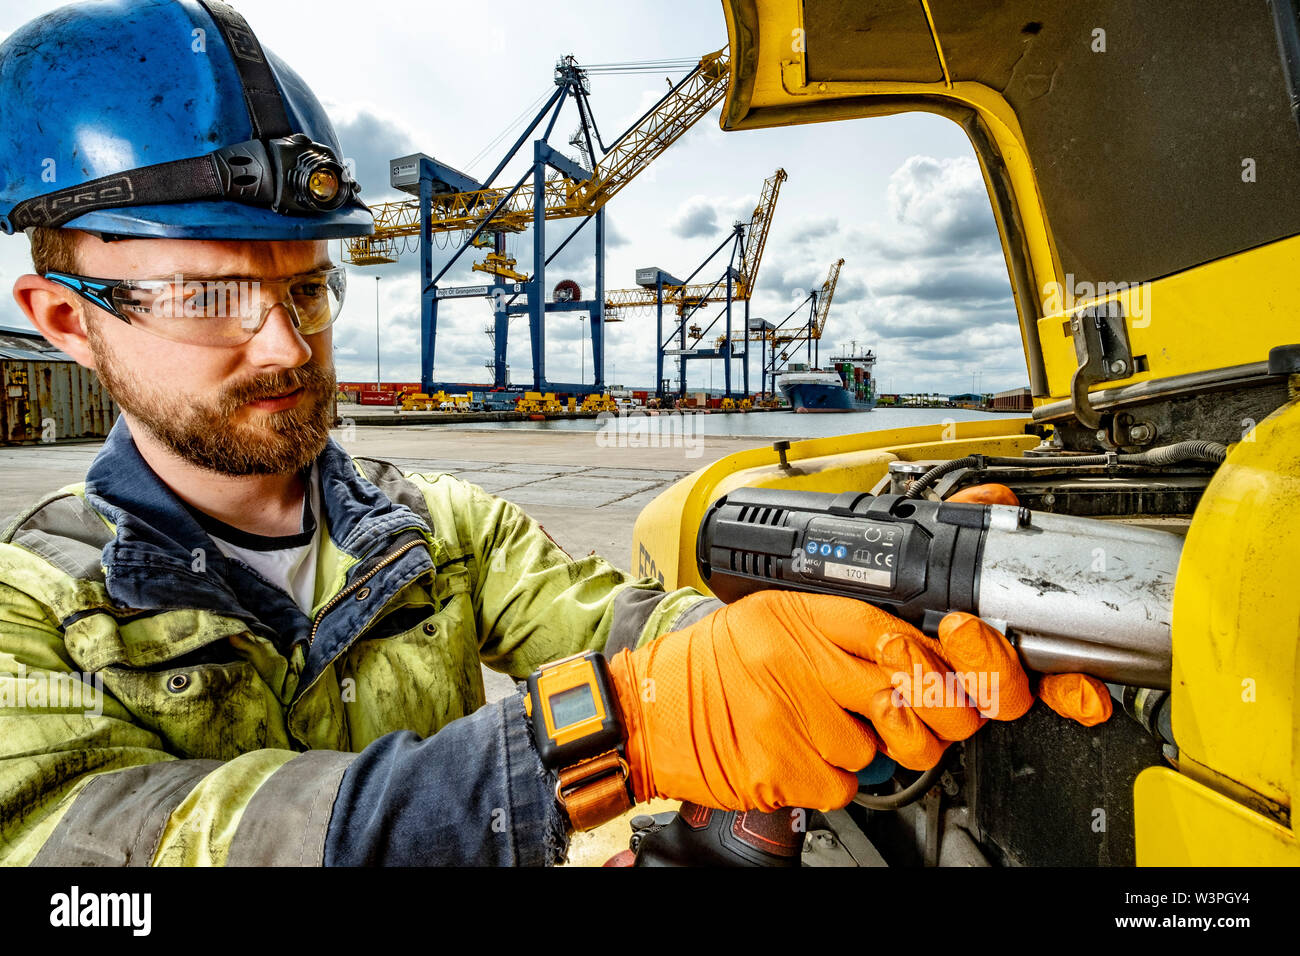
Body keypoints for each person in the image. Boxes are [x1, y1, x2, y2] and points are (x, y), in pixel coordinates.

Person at [0, 0, 1108, 867]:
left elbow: (627, 622)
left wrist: (861, 625)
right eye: (206, 295)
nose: (287, 346)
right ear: (64, 318)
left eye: (307, 289)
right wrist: (614, 732)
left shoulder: (432, 529)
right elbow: (119, 845)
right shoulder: (27, 612)